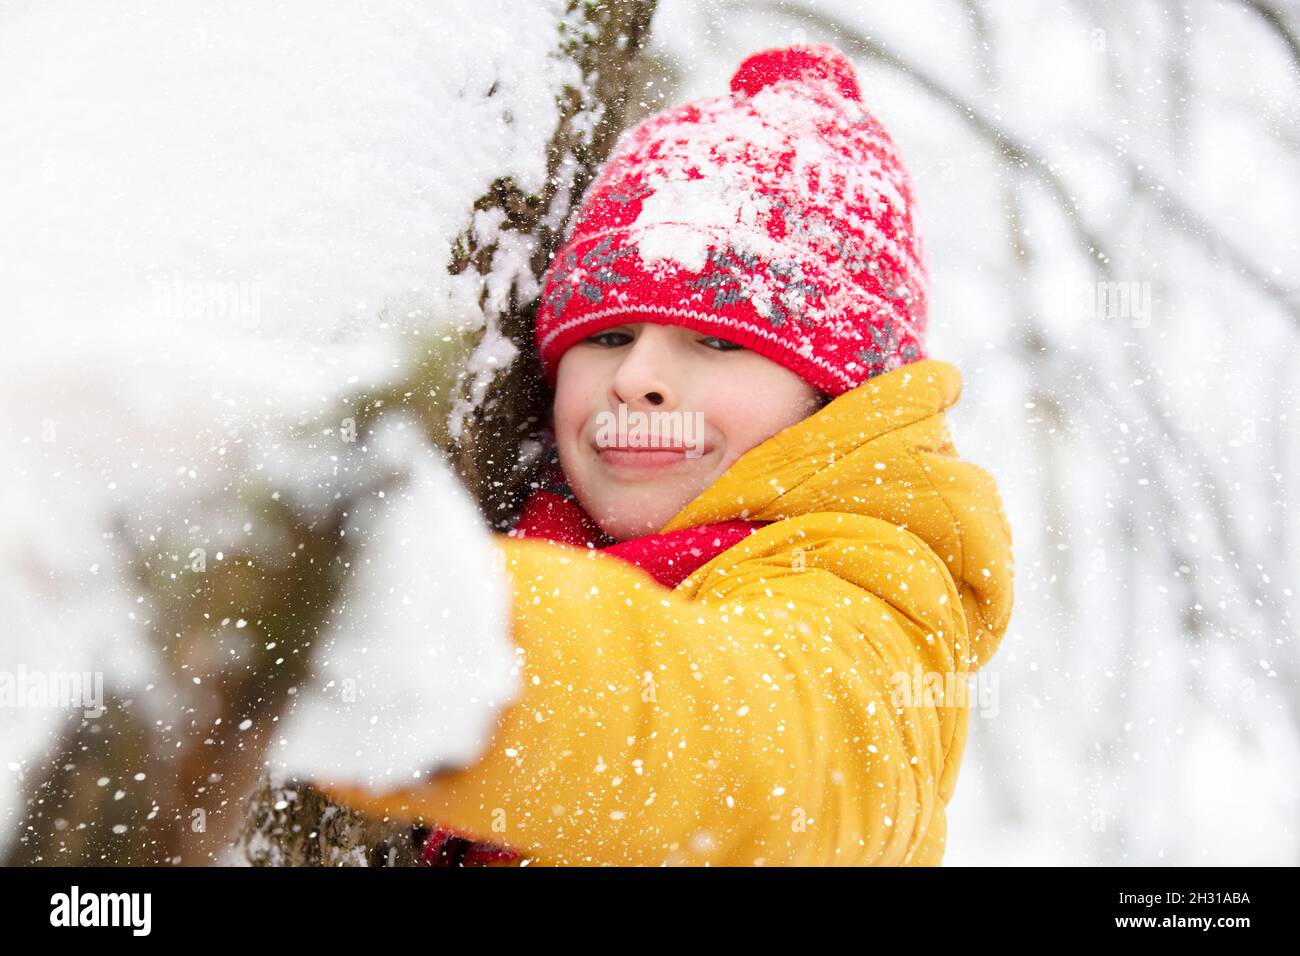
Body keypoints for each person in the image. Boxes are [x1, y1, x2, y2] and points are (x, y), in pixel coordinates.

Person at [314, 43, 1014, 866]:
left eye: (717, 342)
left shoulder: (876, 599)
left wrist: (426, 625)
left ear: (835, 395)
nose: (639, 378)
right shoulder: (547, 534)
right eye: (608, 335)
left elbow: (739, 736)